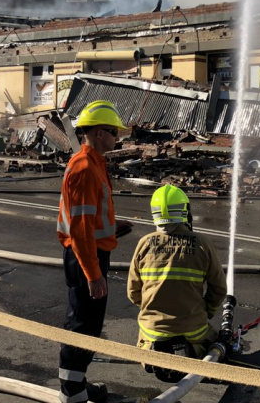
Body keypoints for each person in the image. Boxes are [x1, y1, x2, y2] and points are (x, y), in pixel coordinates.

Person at [57, 100, 132, 403]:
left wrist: (112, 226)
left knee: (90, 325)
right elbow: (80, 229)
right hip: (85, 256)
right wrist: (94, 274)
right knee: (82, 325)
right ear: (100, 133)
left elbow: (91, 216)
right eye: (115, 132)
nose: (118, 137)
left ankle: (78, 384)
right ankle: (71, 393)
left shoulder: (95, 162)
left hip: (91, 251)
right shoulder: (86, 168)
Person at [127, 184, 227, 381]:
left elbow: (133, 291)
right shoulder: (201, 244)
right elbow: (219, 288)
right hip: (194, 332)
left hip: (152, 333)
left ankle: (151, 356)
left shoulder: (144, 243)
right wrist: (206, 312)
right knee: (217, 342)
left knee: (147, 342)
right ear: (185, 211)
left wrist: (151, 307)